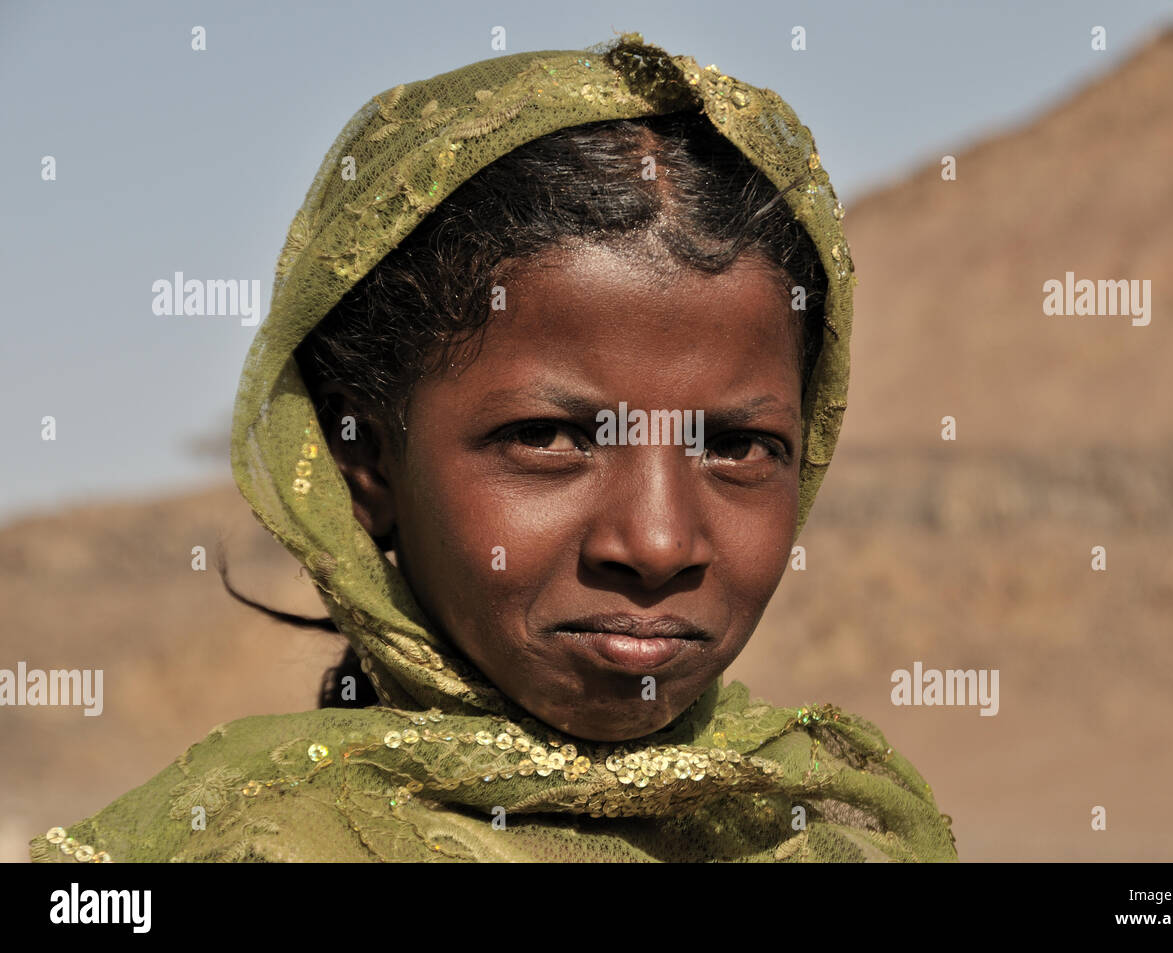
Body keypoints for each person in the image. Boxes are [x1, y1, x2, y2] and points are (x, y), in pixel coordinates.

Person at [33, 33, 957, 863]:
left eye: (739, 447)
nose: (659, 543)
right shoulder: (253, 851)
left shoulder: (839, 831)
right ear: (365, 461)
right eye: (550, 438)